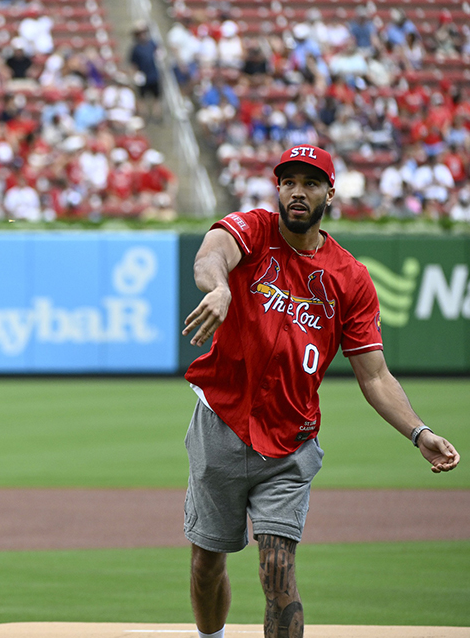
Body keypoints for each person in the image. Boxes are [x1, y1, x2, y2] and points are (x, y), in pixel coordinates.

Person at [180, 144, 460, 638]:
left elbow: (374, 376)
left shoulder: (349, 278)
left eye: (310, 183)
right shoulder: (254, 229)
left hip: (291, 441)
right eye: (288, 182)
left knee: (278, 569)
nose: (297, 192)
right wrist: (218, 287)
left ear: (330, 192)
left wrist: (420, 432)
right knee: (206, 562)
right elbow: (212, 253)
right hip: (221, 423)